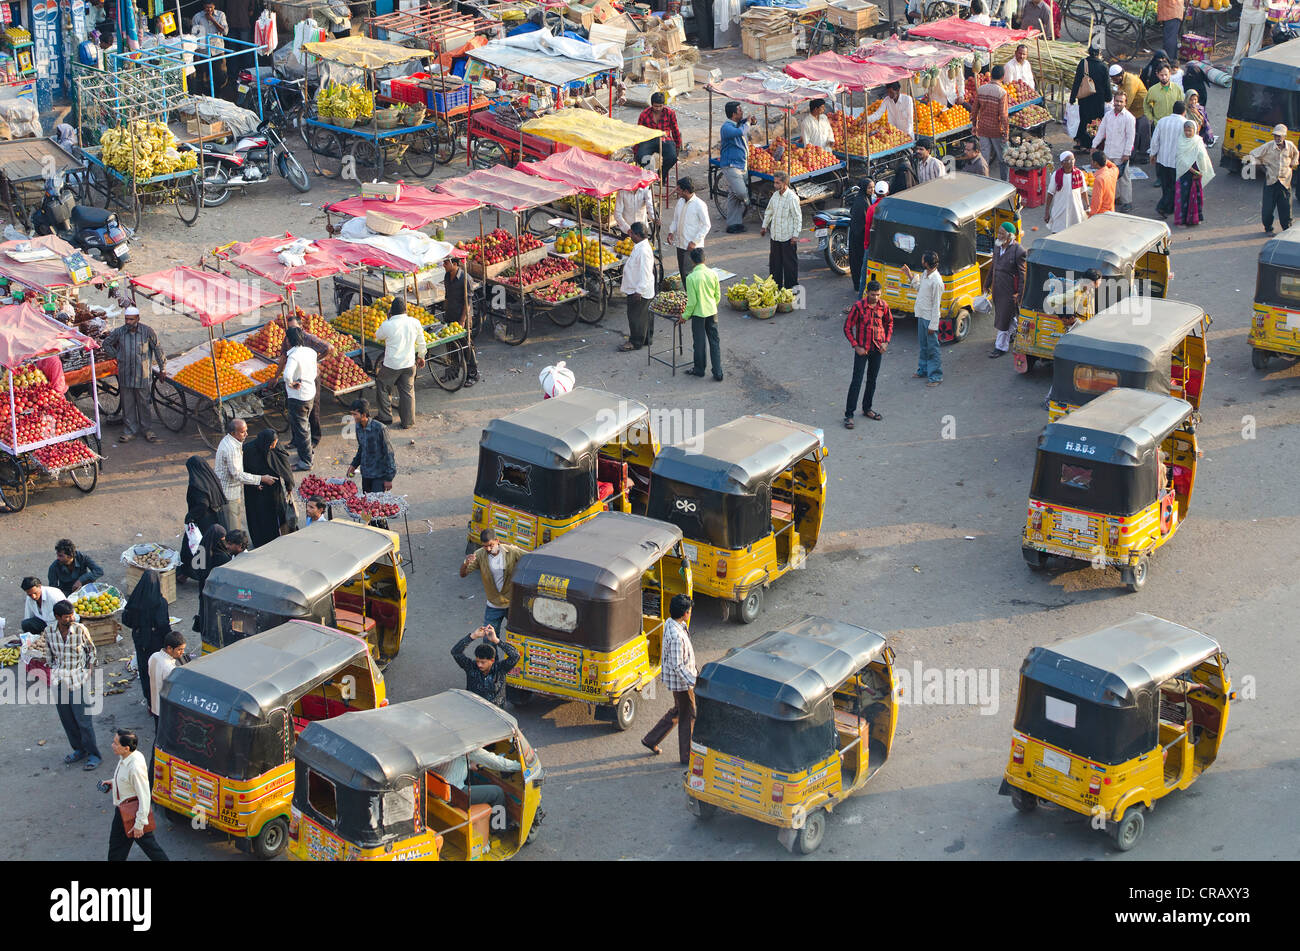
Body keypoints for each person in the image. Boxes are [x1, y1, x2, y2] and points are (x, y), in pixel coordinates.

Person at [640, 594, 696, 764]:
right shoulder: (676, 636)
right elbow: (678, 666)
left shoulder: (673, 624)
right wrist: (693, 681)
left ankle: (651, 739)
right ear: (685, 613)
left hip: (680, 679)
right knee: (689, 716)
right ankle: (686, 757)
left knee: (679, 711)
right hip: (682, 682)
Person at [47, 599, 102, 770]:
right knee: (68, 720)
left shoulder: (80, 630)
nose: (71, 618)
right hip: (59, 681)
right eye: (67, 616)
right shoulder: (49, 631)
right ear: (57, 617)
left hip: (77, 681)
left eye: (72, 615)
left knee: (83, 720)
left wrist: (89, 670)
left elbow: (91, 651)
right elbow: (48, 654)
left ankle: (93, 754)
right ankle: (79, 750)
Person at [102, 729, 168, 861]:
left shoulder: (134, 767)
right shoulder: (127, 756)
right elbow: (126, 780)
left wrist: (139, 824)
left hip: (133, 814)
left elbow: (144, 796)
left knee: (151, 848)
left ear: (126, 748)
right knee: (117, 848)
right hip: (122, 811)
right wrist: (113, 782)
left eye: (116, 743)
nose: (112, 745)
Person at [101, 305, 164, 444]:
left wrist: (162, 368)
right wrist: (117, 355)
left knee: (144, 403)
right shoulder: (120, 332)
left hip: (143, 375)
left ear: (137, 318)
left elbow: (158, 349)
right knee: (127, 404)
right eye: (126, 319)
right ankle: (130, 431)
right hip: (125, 375)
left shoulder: (147, 332)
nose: (128, 322)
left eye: (131, 319)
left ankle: (147, 429)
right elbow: (106, 344)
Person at [843, 279, 893, 428]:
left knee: (872, 380)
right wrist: (855, 345)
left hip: (877, 349)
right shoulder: (858, 307)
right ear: (867, 293)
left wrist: (886, 342)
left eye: (878, 294)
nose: (876, 298)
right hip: (862, 350)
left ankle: (867, 409)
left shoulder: (884, 306)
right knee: (856, 382)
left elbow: (889, 323)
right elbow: (847, 327)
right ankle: (849, 414)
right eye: (873, 295)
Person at [373, 296, 426, 430]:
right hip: (409, 364)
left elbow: (378, 335)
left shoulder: (388, 324)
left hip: (392, 365)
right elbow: (421, 342)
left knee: (382, 385)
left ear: (391, 311)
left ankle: (385, 417)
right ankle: (408, 422)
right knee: (407, 391)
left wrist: (387, 319)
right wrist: (421, 356)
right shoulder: (414, 322)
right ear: (406, 310)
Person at [216, 417, 275, 537]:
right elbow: (237, 474)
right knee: (233, 525)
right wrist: (261, 479)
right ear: (233, 433)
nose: (246, 434)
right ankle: (236, 550)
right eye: (243, 432)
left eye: (246, 430)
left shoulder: (230, 441)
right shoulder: (231, 448)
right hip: (229, 492)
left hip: (229, 489)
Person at [460, 529, 525, 636]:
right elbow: (463, 574)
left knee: (519, 637)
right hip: (493, 606)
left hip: (512, 604)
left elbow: (530, 558)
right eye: (485, 546)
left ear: (497, 541)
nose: (488, 549)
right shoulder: (479, 555)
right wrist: (466, 564)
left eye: (491, 545)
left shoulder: (512, 551)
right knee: (488, 639)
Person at [123, 569, 169, 707]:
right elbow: (163, 624)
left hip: (140, 639)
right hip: (156, 641)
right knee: (157, 670)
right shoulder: (160, 602)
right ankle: (159, 701)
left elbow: (126, 620)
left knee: (144, 669)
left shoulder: (135, 599)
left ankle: (150, 701)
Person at [283, 313, 332, 443]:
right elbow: (283, 357)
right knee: (298, 417)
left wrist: (317, 360)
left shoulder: (307, 341)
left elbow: (328, 347)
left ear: (301, 327)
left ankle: (313, 439)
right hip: (301, 380)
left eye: (294, 327)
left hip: (309, 379)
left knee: (311, 411)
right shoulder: (289, 339)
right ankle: (298, 440)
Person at [242, 428, 295, 547]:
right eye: (271, 445)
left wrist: (289, 485)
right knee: (261, 518)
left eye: (274, 444)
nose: (272, 447)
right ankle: (262, 543)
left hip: (274, 490)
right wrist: (257, 482)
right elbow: (243, 473)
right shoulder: (248, 450)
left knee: (278, 514)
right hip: (256, 493)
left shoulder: (275, 447)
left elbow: (284, 466)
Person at [450, 625, 520, 708]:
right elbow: (455, 652)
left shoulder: (500, 669)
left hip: (495, 712)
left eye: (483, 662)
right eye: (478, 661)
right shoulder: (470, 667)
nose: (479, 665)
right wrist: (473, 636)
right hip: (473, 709)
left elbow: (515, 656)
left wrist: (496, 640)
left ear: (492, 661)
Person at [1247, 124, 1300, 235]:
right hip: (1270, 182)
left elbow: (1296, 154)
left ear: (1284, 136)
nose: (1277, 138)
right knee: (1267, 209)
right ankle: (1268, 228)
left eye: (1279, 136)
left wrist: (1293, 163)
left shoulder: (1290, 146)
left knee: (1286, 209)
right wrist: (1261, 167)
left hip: (1285, 183)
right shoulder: (1268, 146)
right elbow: (1252, 154)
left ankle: (1287, 230)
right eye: (1275, 136)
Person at [180, 455, 225, 581]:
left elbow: (203, 504)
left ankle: (191, 573)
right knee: (207, 548)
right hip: (212, 518)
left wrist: (190, 516)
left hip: (200, 522)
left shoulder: (196, 485)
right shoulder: (211, 479)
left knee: (193, 549)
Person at [903, 251, 944, 386]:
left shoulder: (937, 281)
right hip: (921, 315)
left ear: (926, 263)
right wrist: (909, 275)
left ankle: (936, 377)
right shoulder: (926, 274)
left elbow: (936, 305)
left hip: (929, 319)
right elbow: (919, 288)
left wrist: (933, 325)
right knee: (924, 346)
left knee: (932, 348)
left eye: (922, 260)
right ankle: (923, 370)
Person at [433, 745, 520, 808]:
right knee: (497, 792)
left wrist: (468, 766)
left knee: (470, 775)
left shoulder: (441, 742)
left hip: (435, 789)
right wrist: (521, 766)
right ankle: (498, 827)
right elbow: (498, 763)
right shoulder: (467, 747)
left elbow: (447, 764)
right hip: (452, 794)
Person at [682, 247, 723, 381]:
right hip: (712, 312)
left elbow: (692, 302)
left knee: (699, 343)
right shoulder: (713, 274)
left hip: (699, 315)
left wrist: (684, 316)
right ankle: (718, 372)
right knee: (714, 341)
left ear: (692, 261)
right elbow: (717, 295)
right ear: (705, 259)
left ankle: (699, 370)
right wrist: (712, 305)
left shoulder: (691, 277)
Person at [988, 222, 1026, 357]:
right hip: (997, 289)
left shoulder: (1018, 250)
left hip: (1009, 291)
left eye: (1002, 233)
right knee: (1006, 316)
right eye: (998, 232)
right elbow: (993, 266)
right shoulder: (997, 247)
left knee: (1003, 320)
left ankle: (1000, 347)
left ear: (1010, 236)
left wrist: (1019, 295)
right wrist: (987, 284)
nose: (998, 235)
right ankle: (1014, 331)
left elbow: (1023, 275)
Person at [281, 327, 317, 471]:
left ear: (288, 340)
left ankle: (306, 461)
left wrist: (291, 383)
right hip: (310, 392)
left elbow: (287, 375)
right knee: (305, 425)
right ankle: (308, 451)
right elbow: (314, 371)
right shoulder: (311, 352)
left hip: (298, 397)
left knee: (301, 428)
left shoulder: (294, 356)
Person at [1093, 89, 1136, 211]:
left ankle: (1127, 202)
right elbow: (1101, 131)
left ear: (1125, 103)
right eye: (1116, 101)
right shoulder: (1108, 115)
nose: (1118, 103)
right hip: (1108, 152)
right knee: (1109, 177)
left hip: (1120, 153)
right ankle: (1115, 197)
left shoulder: (1129, 118)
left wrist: (1127, 153)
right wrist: (1094, 145)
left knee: (1123, 177)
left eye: (1120, 101)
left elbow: (1130, 137)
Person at [441, 255, 479, 387]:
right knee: (451, 346)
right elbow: (447, 296)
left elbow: (468, 303)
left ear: (455, 264)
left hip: (463, 317)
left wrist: (462, 321)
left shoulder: (465, 279)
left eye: (446, 263)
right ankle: (453, 372)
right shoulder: (446, 276)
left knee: (466, 346)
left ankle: (473, 374)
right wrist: (445, 315)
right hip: (450, 316)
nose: (444, 265)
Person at [761, 170, 802, 289]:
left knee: (789, 264)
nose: (775, 185)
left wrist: (795, 235)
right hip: (775, 236)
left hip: (787, 237)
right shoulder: (775, 195)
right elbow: (769, 212)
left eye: (778, 183)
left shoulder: (792, 198)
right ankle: (775, 287)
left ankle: (791, 287)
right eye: (774, 183)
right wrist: (764, 226)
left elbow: (797, 217)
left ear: (785, 184)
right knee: (775, 264)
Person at [619, 221, 656, 352]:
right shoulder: (641, 246)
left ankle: (635, 342)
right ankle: (647, 338)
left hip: (640, 289)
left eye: (632, 234)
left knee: (635, 316)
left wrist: (639, 291)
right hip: (640, 287)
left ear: (638, 235)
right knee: (645, 315)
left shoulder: (644, 251)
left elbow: (645, 273)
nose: (630, 236)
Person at [719, 102, 755, 233]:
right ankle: (748, 203)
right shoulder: (726, 127)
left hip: (741, 164)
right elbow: (741, 131)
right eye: (740, 111)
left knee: (733, 196)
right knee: (740, 192)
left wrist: (749, 120)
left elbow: (743, 124)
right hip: (731, 165)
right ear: (734, 114)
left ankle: (734, 224)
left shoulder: (738, 123)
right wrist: (748, 123)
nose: (742, 112)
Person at [347, 399, 396, 492]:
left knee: (376, 503)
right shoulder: (358, 427)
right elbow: (361, 448)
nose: (352, 417)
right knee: (366, 502)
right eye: (351, 414)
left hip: (379, 475)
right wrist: (354, 465)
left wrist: (389, 478)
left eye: (355, 414)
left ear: (364, 415)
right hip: (365, 474)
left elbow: (389, 453)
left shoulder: (380, 429)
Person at [1150, 101, 1188, 219]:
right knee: (1173, 187)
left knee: (1166, 186)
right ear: (1184, 112)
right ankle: (1163, 207)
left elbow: (1155, 140)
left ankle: (1168, 207)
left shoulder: (1162, 121)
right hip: (1176, 162)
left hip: (1162, 160)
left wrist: (1152, 154)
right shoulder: (1185, 124)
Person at [667, 177, 710, 277]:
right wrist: (671, 232)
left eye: (678, 189)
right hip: (680, 244)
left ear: (685, 191)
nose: (676, 191)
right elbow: (675, 220)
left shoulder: (699, 205)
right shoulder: (680, 202)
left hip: (692, 247)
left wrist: (694, 241)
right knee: (683, 273)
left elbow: (706, 225)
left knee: (692, 275)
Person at [1071, 47, 1112, 150]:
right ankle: (1090, 144)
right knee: (1095, 122)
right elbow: (1107, 85)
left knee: (1084, 119)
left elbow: (1077, 81)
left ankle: (1080, 141)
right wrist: (1108, 98)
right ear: (1099, 53)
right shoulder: (1103, 66)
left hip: (1084, 98)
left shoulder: (1083, 63)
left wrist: (1072, 97)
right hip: (1098, 100)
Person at [974, 66, 1011, 180]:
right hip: (996, 130)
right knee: (1003, 158)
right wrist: (1006, 132)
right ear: (1003, 77)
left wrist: (974, 125)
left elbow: (974, 110)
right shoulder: (1002, 92)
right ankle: (1004, 181)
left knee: (984, 158)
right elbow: (1003, 115)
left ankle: (985, 182)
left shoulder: (981, 89)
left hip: (983, 128)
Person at [1175, 119, 1213, 226]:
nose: (1187, 133)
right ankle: (1183, 219)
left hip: (1197, 173)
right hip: (1185, 173)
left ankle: (1195, 218)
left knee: (1196, 196)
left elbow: (1203, 157)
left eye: (1189, 131)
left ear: (1194, 130)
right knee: (1184, 196)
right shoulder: (1181, 141)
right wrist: (1194, 171)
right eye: (1185, 131)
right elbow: (1181, 159)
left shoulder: (1198, 141)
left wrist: (1200, 171)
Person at [636, 92, 681, 181]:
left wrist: (677, 145)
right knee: (641, 157)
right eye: (656, 106)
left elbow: (675, 130)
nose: (658, 108)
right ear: (651, 104)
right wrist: (636, 150)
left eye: (660, 106)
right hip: (649, 140)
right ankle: (650, 176)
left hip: (665, 140)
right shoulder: (644, 114)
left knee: (672, 157)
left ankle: (661, 174)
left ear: (663, 105)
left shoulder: (670, 113)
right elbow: (639, 133)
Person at [148, 631, 186, 726]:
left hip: (155, 704)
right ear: (169, 648)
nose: (182, 652)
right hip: (166, 709)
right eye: (179, 649)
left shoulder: (154, 656)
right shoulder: (170, 668)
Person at [1045, 150, 1088, 232]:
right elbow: (1050, 193)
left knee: (1075, 231)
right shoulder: (1056, 175)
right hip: (1060, 209)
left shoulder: (1079, 174)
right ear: (1062, 163)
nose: (1071, 162)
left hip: (1075, 209)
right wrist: (1047, 212)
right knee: (1058, 231)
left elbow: (1083, 191)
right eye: (1067, 160)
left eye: (1072, 160)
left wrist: (1087, 206)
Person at [858, 181, 889, 294]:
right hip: (886, 245)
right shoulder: (890, 207)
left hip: (872, 244)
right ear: (887, 192)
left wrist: (866, 243)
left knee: (865, 272)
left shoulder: (871, 209)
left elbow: (868, 228)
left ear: (875, 192)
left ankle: (861, 297)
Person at [847, 177, 874, 292]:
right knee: (858, 261)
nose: (872, 190)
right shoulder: (861, 202)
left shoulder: (865, 199)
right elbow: (862, 222)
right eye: (869, 188)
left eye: (873, 187)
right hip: (858, 237)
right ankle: (858, 285)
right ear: (864, 188)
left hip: (859, 236)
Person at [1144, 64, 1184, 129]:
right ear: (1157, 74)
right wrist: (1150, 118)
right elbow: (1146, 105)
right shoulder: (1152, 90)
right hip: (1158, 125)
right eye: (1161, 75)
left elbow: (1182, 106)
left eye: (1166, 75)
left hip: (1174, 125)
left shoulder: (1177, 89)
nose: (1164, 77)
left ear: (1170, 74)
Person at [1234, 0, 1268, 69]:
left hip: (1246, 16)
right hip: (1258, 17)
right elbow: (1268, 5)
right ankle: (1250, 67)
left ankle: (1235, 66)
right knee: (1255, 44)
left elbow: (1239, 1)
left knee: (1242, 43)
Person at [1089, 150, 1119, 217]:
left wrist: (1091, 215)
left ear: (1095, 163)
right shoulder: (1113, 171)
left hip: (1101, 214)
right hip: (1111, 210)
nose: (1090, 162)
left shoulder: (1099, 179)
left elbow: (1096, 202)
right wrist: (1104, 159)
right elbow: (1113, 166)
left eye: (1092, 161)